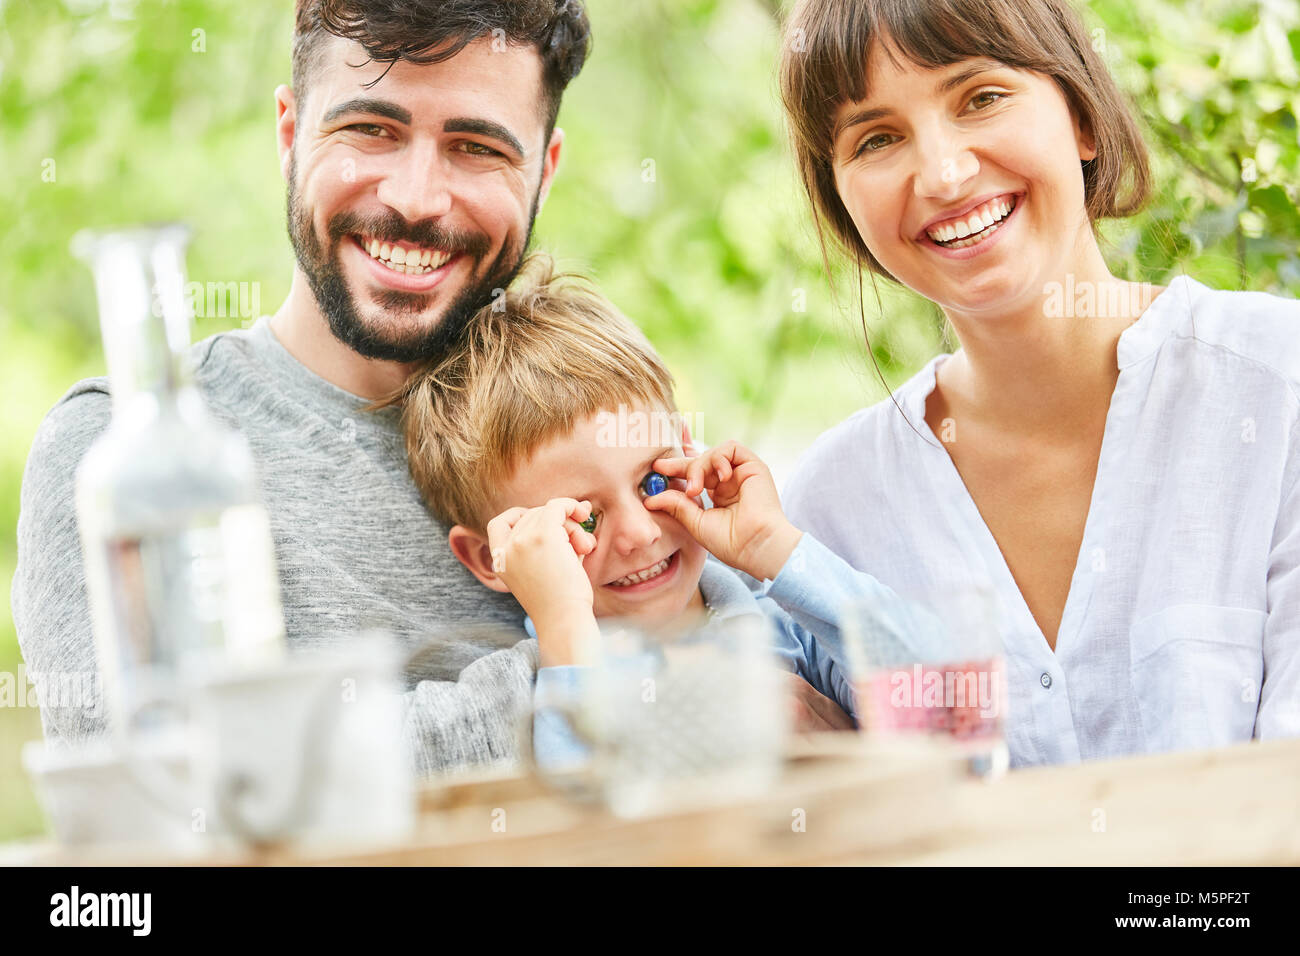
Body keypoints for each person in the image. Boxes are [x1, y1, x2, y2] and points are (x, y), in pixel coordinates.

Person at [13, 0, 593, 775]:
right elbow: (166, 796)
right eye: (370, 129)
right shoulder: (119, 457)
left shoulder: (602, 421)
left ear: (543, 172)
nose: (417, 198)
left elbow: (738, 681)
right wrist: (579, 675)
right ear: (290, 136)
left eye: (477, 146)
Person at [776, 0, 1300, 766]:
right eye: (877, 138)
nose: (945, 173)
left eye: (981, 97)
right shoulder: (827, 512)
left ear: (1082, 116)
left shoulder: (1279, 384)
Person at [383, 253, 932, 761]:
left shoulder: (782, 624)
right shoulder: (534, 686)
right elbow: (590, 810)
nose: (640, 535)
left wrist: (774, 548)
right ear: (490, 557)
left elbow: (940, 695)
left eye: (651, 481)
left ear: (688, 450)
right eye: (584, 518)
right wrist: (568, 634)